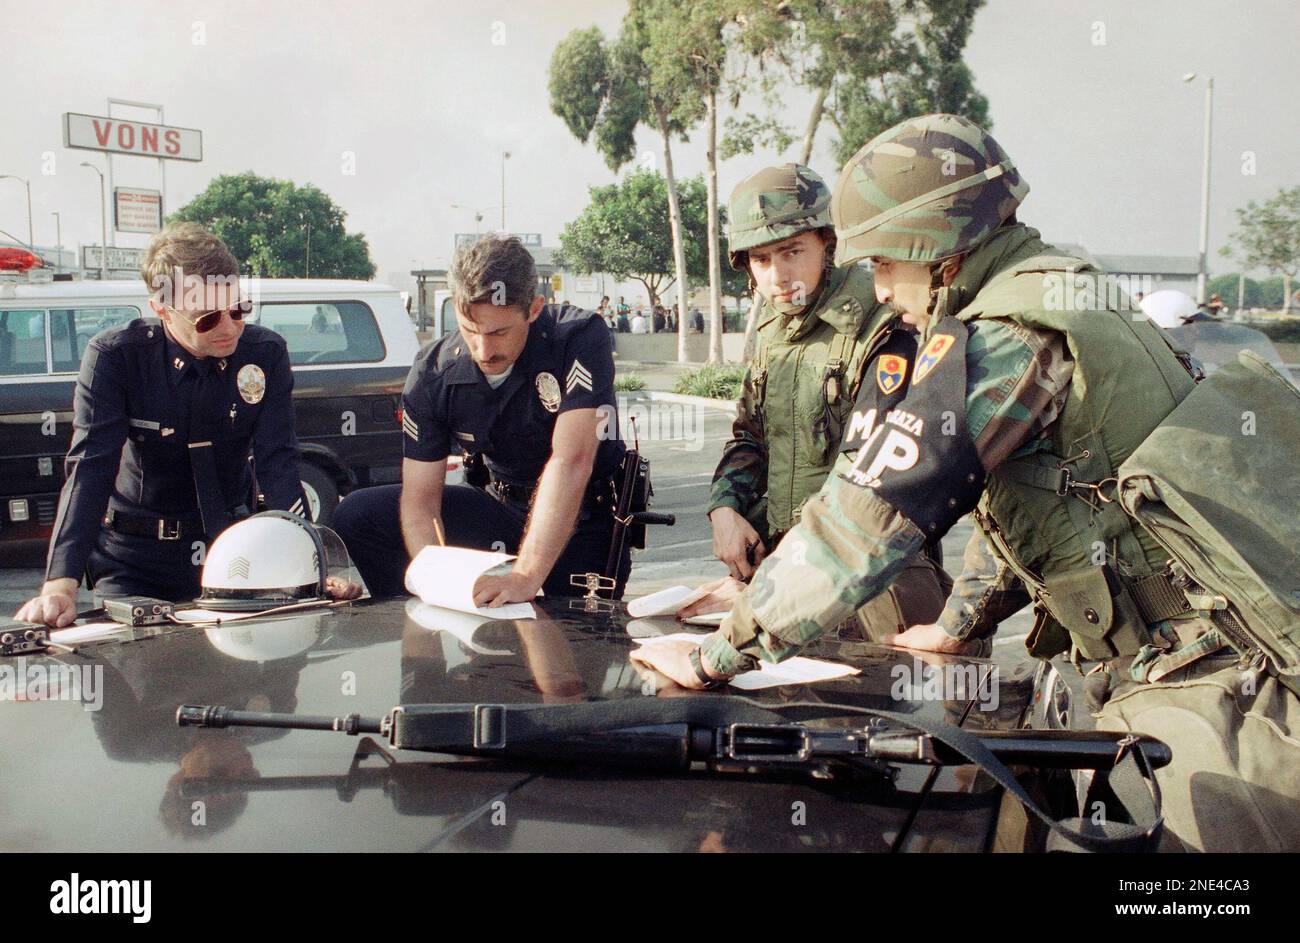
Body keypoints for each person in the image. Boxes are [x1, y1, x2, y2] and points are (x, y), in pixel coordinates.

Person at [634, 113, 1300, 852]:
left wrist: (716, 653)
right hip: (1186, 673)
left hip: (1220, 701)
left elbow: (869, 515)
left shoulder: (1013, 333)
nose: (882, 288)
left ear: (941, 253)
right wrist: (959, 627)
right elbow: (1023, 497)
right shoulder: (1059, 291)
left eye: (887, 264)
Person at [691, 163, 951, 640]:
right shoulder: (772, 331)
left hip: (872, 573)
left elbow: (870, 476)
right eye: (761, 260)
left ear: (828, 244)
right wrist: (725, 509)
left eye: (793, 252)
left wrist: (789, 565)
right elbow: (750, 437)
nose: (777, 276)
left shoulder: (886, 325)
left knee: (900, 700)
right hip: (787, 569)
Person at [13, 223, 308, 626]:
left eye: (238, 309)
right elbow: (91, 468)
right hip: (135, 559)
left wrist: (311, 554)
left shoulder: (265, 353)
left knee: (254, 682)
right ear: (162, 308)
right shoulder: (116, 357)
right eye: (207, 319)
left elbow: (279, 462)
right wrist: (59, 584)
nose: (228, 327)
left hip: (233, 552)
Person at [331, 235, 631, 605]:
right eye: (470, 331)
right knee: (359, 514)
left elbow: (572, 461)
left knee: (562, 650)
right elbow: (421, 501)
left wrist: (525, 575)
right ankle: (418, 641)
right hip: (501, 509)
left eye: (499, 332)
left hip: (581, 520)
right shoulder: (433, 372)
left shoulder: (578, 337)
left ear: (534, 309)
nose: (484, 351)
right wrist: (437, 580)